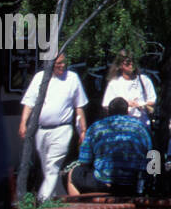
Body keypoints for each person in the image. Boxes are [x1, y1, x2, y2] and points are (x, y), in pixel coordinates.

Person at [20, 52, 89, 200]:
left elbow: (79, 107)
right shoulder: (40, 78)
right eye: (58, 64)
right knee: (49, 169)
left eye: (64, 63)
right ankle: (59, 199)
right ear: (49, 64)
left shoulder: (72, 79)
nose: (62, 66)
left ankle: (42, 201)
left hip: (63, 129)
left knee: (52, 165)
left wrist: (82, 130)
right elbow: (29, 102)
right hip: (41, 130)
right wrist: (23, 123)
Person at [66, 98, 152, 196]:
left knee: (72, 174)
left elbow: (84, 161)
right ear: (127, 111)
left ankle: (79, 208)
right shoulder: (141, 128)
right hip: (134, 183)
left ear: (108, 111)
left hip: (104, 182)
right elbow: (152, 154)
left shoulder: (96, 127)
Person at [101, 50, 156, 128]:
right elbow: (106, 105)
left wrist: (140, 105)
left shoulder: (144, 80)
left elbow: (152, 101)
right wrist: (124, 104)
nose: (131, 64)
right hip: (121, 126)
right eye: (127, 63)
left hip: (142, 125)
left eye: (133, 61)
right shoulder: (114, 84)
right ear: (120, 65)